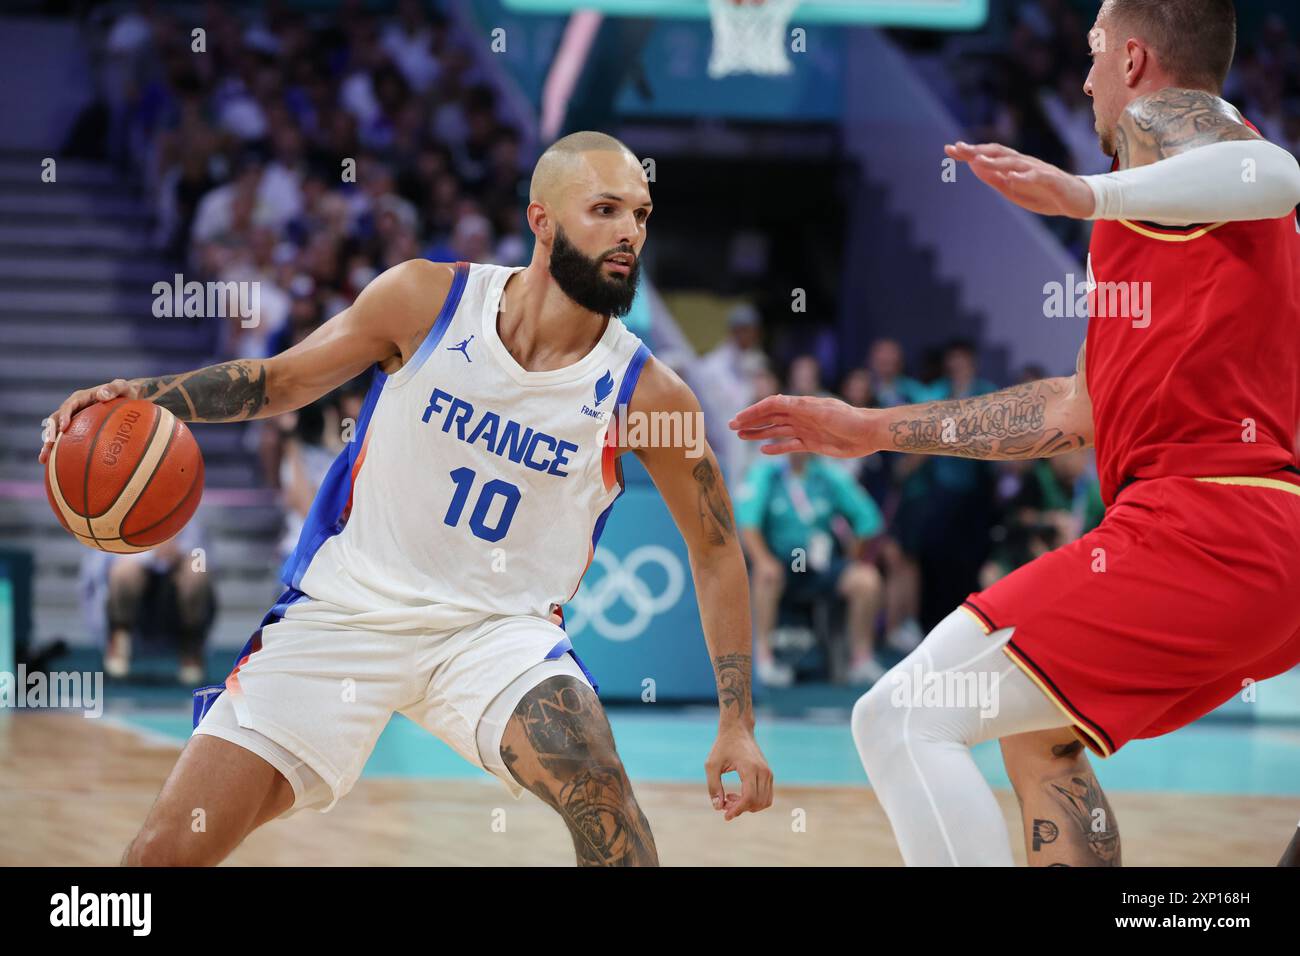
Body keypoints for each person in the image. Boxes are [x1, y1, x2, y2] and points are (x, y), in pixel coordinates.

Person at [42, 131, 772, 867]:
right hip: (344, 610)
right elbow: (282, 380)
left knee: (602, 792)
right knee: (166, 853)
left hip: (495, 634)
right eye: (605, 209)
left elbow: (715, 551)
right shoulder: (428, 298)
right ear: (541, 220)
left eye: (640, 215)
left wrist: (736, 722)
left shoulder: (648, 394)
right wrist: (145, 396)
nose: (628, 233)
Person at [731, 0, 1300, 865]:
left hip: (1209, 528)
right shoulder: (1160, 220)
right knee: (1038, 734)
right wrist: (874, 428)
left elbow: (1276, 175)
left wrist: (1083, 193)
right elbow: (1072, 411)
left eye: (1093, 54)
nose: (1083, 81)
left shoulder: (1164, 131)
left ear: (1136, 59)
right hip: (1259, 548)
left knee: (898, 718)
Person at [737, 451, 885, 687]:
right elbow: (748, 523)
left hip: (821, 567)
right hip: (782, 565)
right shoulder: (765, 472)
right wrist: (763, 559)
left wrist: (852, 557)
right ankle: (762, 661)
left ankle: (861, 659)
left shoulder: (829, 474)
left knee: (866, 580)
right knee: (765, 575)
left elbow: (869, 519)